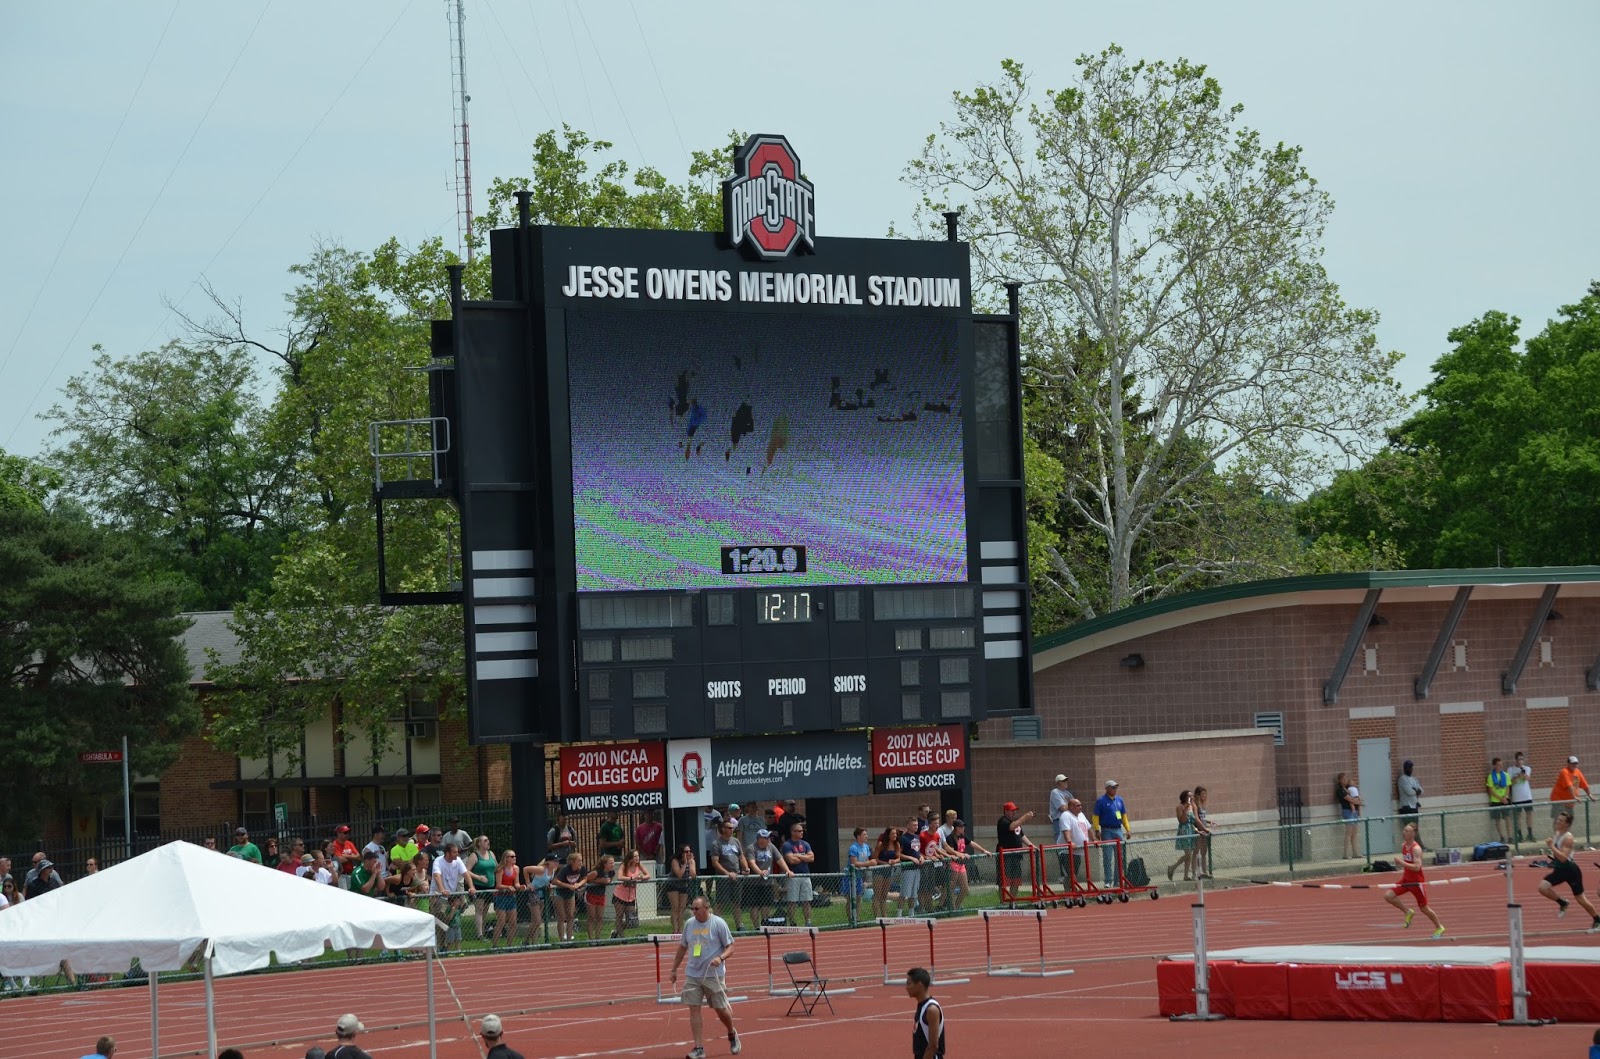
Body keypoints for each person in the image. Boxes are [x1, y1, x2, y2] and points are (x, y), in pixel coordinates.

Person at [668, 896, 742, 1058]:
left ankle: (731, 1033)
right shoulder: (689, 924)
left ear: (706, 908)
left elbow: (731, 947)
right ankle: (699, 1047)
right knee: (694, 1008)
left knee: (721, 1009)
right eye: (692, 909)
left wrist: (720, 958)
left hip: (713, 975)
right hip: (693, 974)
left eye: (696, 909)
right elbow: (682, 947)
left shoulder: (718, 923)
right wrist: (674, 969)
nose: (693, 912)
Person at [1537, 810, 1600, 931]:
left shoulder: (1568, 838)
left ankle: (1597, 919)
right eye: (1558, 819)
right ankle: (1562, 902)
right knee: (1542, 888)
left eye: (1561, 820)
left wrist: (1551, 846)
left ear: (1567, 824)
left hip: (1570, 871)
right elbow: (1558, 857)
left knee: (1580, 898)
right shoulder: (1557, 833)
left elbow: (1563, 858)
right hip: (1559, 870)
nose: (1557, 821)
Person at [1383, 822, 1445, 939]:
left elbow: (1417, 868)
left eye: (1407, 831)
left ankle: (1439, 927)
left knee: (1424, 908)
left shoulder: (1416, 849)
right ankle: (1408, 912)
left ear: (1413, 833)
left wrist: (1401, 863)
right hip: (1406, 880)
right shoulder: (1404, 846)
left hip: (1416, 882)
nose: (1404, 832)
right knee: (1388, 896)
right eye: (1404, 830)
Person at [710, 820, 749, 932]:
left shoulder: (736, 841)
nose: (732, 830)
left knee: (737, 902)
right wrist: (727, 873)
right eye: (729, 828)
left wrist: (745, 868)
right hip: (723, 878)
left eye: (732, 828)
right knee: (721, 902)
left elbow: (741, 857)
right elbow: (715, 862)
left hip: (736, 875)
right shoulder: (716, 843)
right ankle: (717, 927)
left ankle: (739, 925)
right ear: (723, 829)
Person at [743, 829, 789, 924]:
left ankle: (765, 923)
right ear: (760, 839)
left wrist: (787, 870)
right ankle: (756, 927)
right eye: (766, 837)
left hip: (767, 882)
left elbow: (779, 859)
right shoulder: (751, 848)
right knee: (754, 905)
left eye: (768, 837)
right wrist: (759, 872)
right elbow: (751, 863)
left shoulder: (771, 847)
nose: (768, 839)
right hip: (753, 883)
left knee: (766, 904)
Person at [1092, 780, 1131, 887]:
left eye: (1115, 788)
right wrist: (1097, 829)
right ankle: (1108, 880)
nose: (1115, 790)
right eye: (1113, 787)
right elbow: (1095, 816)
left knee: (1120, 857)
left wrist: (1127, 829)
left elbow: (1123, 816)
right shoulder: (1101, 801)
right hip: (1107, 830)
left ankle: (1117, 880)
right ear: (1107, 788)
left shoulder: (1119, 800)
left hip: (1118, 829)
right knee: (1107, 856)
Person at [946, 820, 988, 910]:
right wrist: (962, 854)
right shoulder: (950, 838)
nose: (963, 828)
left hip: (962, 865)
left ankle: (957, 906)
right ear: (956, 828)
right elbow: (951, 851)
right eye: (961, 827)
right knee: (951, 887)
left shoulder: (963, 836)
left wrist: (983, 850)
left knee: (965, 888)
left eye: (963, 826)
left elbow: (972, 843)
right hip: (953, 864)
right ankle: (951, 908)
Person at [996, 801, 1033, 898]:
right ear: (1006, 811)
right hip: (1005, 855)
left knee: (1016, 879)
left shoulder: (1016, 821)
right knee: (1004, 880)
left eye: (1015, 810)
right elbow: (1011, 827)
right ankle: (1003, 901)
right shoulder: (1003, 821)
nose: (1014, 813)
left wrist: (1031, 845)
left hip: (1016, 855)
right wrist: (1024, 818)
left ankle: (1012, 900)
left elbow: (1021, 835)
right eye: (1012, 811)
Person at [905, 966, 944, 1059]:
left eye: (909, 984)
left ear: (919, 985)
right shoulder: (921, 1006)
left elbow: (933, 1046)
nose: (906, 988)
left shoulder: (931, 1009)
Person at [782, 820, 816, 926]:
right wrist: (804, 856)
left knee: (806, 900)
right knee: (792, 901)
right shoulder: (787, 845)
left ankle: (808, 921)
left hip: (805, 875)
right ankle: (792, 922)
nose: (802, 832)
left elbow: (812, 858)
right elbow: (791, 860)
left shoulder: (805, 844)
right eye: (799, 831)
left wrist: (798, 856)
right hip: (793, 876)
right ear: (793, 832)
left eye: (802, 830)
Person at [612, 850, 649, 938]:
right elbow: (619, 877)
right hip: (620, 895)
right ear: (631, 858)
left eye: (638, 856)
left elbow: (648, 875)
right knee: (619, 916)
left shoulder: (638, 865)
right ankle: (622, 937)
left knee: (631, 919)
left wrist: (642, 877)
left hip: (631, 896)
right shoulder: (624, 865)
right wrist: (632, 878)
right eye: (635, 856)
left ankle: (617, 931)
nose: (637, 858)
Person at [491, 849, 523, 947]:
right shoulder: (500, 869)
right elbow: (499, 885)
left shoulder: (516, 868)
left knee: (513, 922)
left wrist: (519, 887)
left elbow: (516, 883)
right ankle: (495, 945)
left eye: (515, 856)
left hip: (511, 897)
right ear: (506, 858)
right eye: (512, 857)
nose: (514, 858)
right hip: (501, 897)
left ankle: (509, 944)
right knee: (501, 922)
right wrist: (507, 887)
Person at [872, 827, 906, 920]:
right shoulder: (881, 844)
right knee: (877, 894)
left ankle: (885, 916)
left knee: (884, 895)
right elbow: (875, 858)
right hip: (879, 870)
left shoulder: (897, 845)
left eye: (896, 834)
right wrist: (885, 863)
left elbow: (898, 858)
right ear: (888, 835)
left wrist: (894, 861)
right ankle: (877, 917)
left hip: (888, 871)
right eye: (892, 834)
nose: (895, 835)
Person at [551, 852, 585, 943]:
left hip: (570, 894)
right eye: (579, 861)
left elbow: (585, 878)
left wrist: (579, 884)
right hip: (560, 893)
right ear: (572, 862)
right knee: (561, 916)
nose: (581, 862)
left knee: (570, 916)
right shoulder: (565, 869)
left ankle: (569, 939)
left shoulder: (581, 869)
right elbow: (555, 881)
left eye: (581, 860)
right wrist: (568, 885)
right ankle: (561, 940)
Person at [666, 843, 700, 934]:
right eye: (686, 851)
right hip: (673, 885)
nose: (688, 853)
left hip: (684, 885)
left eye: (689, 851)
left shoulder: (691, 861)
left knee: (682, 908)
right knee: (675, 907)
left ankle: (680, 930)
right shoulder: (675, 860)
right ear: (681, 853)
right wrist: (685, 863)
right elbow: (679, 875)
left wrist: (691, 862)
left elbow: (693, 875)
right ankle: (675, 929)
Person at [583, 853, 617, 941]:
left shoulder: (611, 872)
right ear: (605, 864)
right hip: (591, 894)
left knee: (600, 917)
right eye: (610, 863)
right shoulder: (596, 872)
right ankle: (591, 939)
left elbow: (609, 881)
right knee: (592, 916)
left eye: (613, 863)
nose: (612, 865)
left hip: (601, 895)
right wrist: (599, 881)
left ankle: (598, 938)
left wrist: (606, 881)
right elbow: (585, 879)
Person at [897, 818, 926, 916]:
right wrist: (910, 858)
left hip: (917, 868)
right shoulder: (903, 838)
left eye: (917, 825)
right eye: (913, 825)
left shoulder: (917, 837)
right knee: (905, 893)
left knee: (914, 893)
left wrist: (921, 857)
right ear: (908, 826)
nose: (916, 827)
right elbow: (899, 854)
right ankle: (899, 913)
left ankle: (911, 912)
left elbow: (917, 851)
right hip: (907, 869)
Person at [1166, 790, 1196, 883]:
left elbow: (1195, 819)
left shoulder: (1193, 806)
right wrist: (1186, 807)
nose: (1191, 797)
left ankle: (1185, 875)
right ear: (1185, 797)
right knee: (1188, 854)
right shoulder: (1180, 807)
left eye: (1192, 796)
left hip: (1192, 830)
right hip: (1184, 831)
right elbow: (1182, 820)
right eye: (1189, 796)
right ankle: (1173, 867)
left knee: (1189, 855)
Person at [1061, 798, 1091, 887]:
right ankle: (1070, 892)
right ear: (1071, 807)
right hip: (1067, 852)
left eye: (1080, 805)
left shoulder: (1081, 815)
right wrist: (1070, 842)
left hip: (1078, 851)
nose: (1080, 807)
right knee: (1070, 873)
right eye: (1078, 806)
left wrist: (1094, 839)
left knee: (1074, 872)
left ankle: (1072, 891)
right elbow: (1066, 831)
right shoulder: (1065, 815)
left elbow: (1088, 828)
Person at [1551, 755, 1592, 821]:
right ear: (1568, 764)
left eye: (1575, 763)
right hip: (1559, 801)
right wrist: (1574, 797)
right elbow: (1569, 786)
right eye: (1572, 763)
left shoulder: (1577, 772)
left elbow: (1584, 785)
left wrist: (1589, 794)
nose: (1574, 765)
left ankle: (1564, 831)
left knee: (1568, 822)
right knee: (1559, 821)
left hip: (1569, 803)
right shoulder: (1564, 772)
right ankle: (1558, 832)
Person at [847, 827, 875, 922]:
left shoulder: (866, 847)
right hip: (851, 876)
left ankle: (857, 918)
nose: (866, 836)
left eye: (866, 834)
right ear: (858, 836)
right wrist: (869, 863)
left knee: (859, 897)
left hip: (860, 876)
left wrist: (870, 863)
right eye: (864, 834)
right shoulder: (853, 848)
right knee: (850, 898)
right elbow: (854, 863)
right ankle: (851, 918)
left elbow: (866, 860)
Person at [1396, 760, 1424, 842]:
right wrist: (1415, 791)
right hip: (1406, 807)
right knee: (1409, 829)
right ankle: (1412, 845)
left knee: (1415, 828)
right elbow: (1409, 791)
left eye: (1411, 767)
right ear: (1405, 768)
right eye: (1409, 767)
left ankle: (1418, 844)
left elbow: (1421, 790)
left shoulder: (1414, 779)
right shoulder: (1402, 779)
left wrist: (1415, 790)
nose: (1410, 769)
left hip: (1414, 806)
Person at [1336, 773, 1362, 859]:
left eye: (1346, 778)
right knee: (1349, 832)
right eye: (1343, 779)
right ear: (1339, 780)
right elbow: (1350, 799)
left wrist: (1358, 801)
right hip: (1347, 811)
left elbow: (1357, 798)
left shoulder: (1348, 789)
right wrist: (1357, 801)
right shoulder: (1340, 790)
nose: (1345, 780)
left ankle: (1356, 852)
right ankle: (1345, 854)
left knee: (1354, 833)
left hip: (1354, 812)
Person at [1510, 751, 1535, 841]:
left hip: (1527, 796)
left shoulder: (1527, 768)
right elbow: (1511, 782)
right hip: (1517, 797)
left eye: (1522, 759)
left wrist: (1523, 773)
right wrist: (1518, 776)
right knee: (1518, 816)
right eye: (1519, 759)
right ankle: (1519, 834)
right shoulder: (1511, 769)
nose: (1520, 761)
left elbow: (1528, 778)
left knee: (1529, 815)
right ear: (1516, 760)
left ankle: (1530, 833)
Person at [1486, 757, 1512, 842]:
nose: (1500, 766)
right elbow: (1490, 790)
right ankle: (1501, 836)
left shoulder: (1506, 775)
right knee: (1498, 820)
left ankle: (1510, 836)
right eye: (1498, 765)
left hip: (1505, 800)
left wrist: (1505, 797)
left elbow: (1508, 787)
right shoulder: (1490, 777)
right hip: (1496, 801)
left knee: (1507, 818)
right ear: (1494, 765)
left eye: (1501, 764)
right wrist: (1500, 798)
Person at [1192, 786, 1215, 879]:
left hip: (1204, 829)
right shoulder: (1195, 805)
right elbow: (1196, 819)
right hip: (1198, 830)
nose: (1205, 796)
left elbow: (1203, 818)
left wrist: (1209, 822)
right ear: (1198, 795)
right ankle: (1194, 873)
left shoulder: (1203, 804)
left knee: (1204, 852)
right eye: (1203, 794)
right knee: (1196, 851)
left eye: (1205, 794)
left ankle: (1204, 871)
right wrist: (1203, 829)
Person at [1048, 774, 1074, 843]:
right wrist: (1072, 806)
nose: (1065, 782)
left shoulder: (1068, 793)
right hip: (1059, 820)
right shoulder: (1055, 792)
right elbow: (1063, 808)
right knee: (1060, 840)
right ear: (1058, 783)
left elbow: (1076, 806)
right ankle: (1060, 854)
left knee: (1069, 839)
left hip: (1070, 820)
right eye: (1063, 781)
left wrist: (1071, 806)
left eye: (1066, 780)